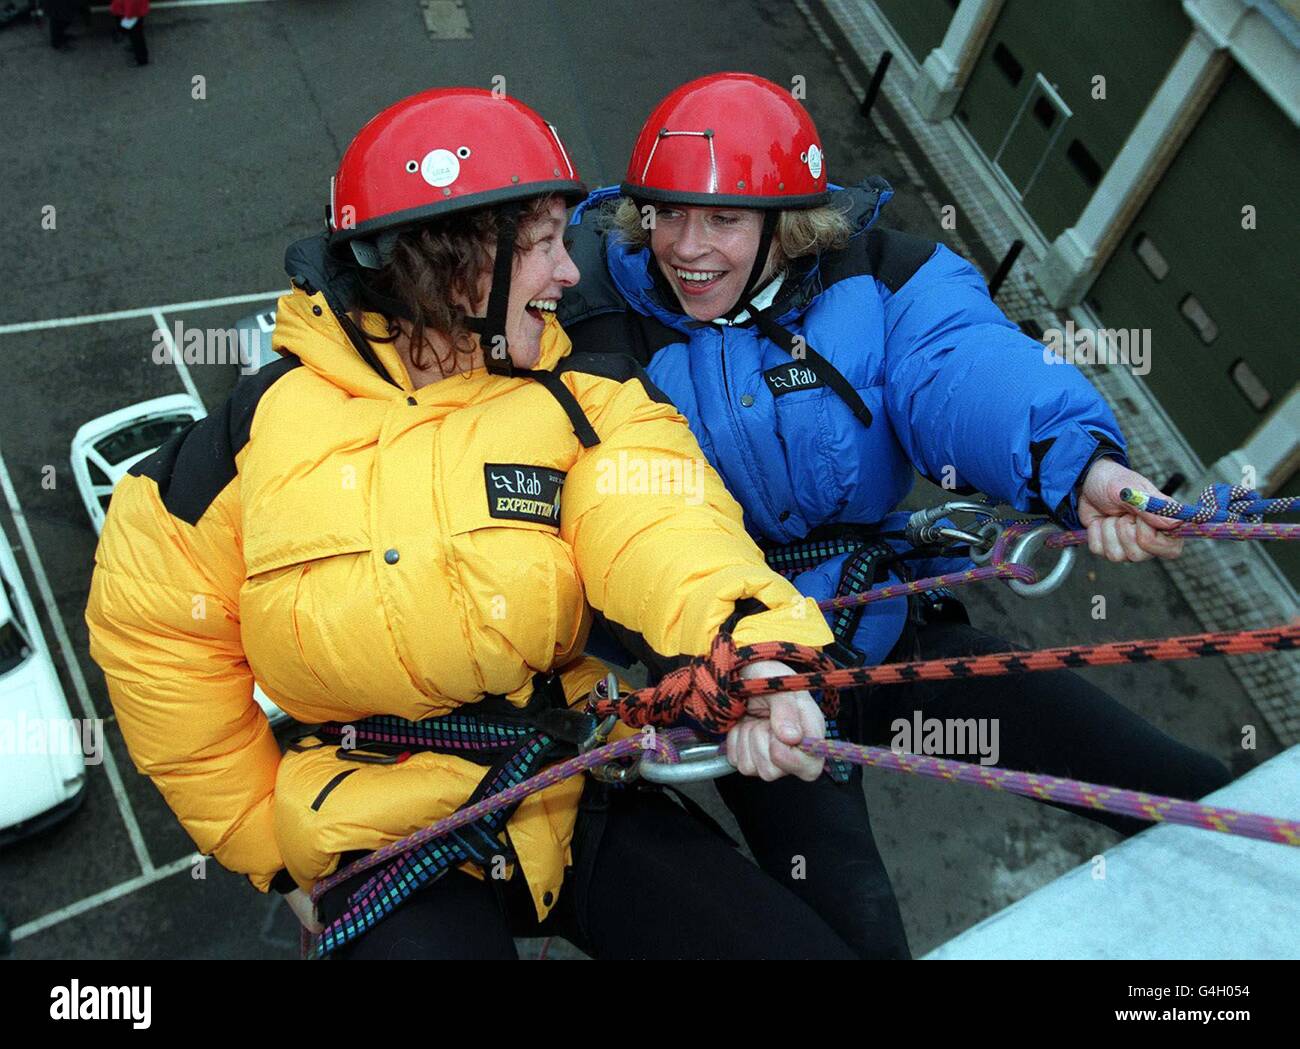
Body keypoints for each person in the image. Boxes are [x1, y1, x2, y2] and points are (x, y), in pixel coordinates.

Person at [85, 87, 863, 960]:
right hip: (375, 827)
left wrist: (750, 643)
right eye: (537, 245)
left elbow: (659, 522)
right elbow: (154, 632)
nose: (569, 274)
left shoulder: (588, 399)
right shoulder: (247, 439)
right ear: (448, 262)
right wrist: (264, 846)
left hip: (568, 783)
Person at [558, 72, 1233, 960]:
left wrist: (1080, 464)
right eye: (667, 215)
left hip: (880, 614)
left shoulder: (873, 277)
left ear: (784, 223)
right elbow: (622, 495)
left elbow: (959, 365)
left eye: (722, 219)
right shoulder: (594, 325)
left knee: (1188, 794)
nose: (687, 247)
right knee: (858, 934)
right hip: (751, 669)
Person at [109, 0, 148, 66]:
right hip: (132, 6)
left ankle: (141, 59)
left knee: (135, 33)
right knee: (135, 30)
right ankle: (137, 49)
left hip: (132, 7)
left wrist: (130, 14)